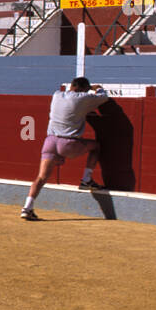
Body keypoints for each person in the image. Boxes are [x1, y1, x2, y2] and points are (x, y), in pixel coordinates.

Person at [20, 77, 109, 221]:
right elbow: (103, 97)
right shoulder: (83, 97)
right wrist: (96, 88)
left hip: (50, 141)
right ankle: (86, 179)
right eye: (86, 89)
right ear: (82, 88)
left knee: (41, 177)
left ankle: (27, 208)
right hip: (68, 143)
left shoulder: (56, 95)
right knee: (96, 146)